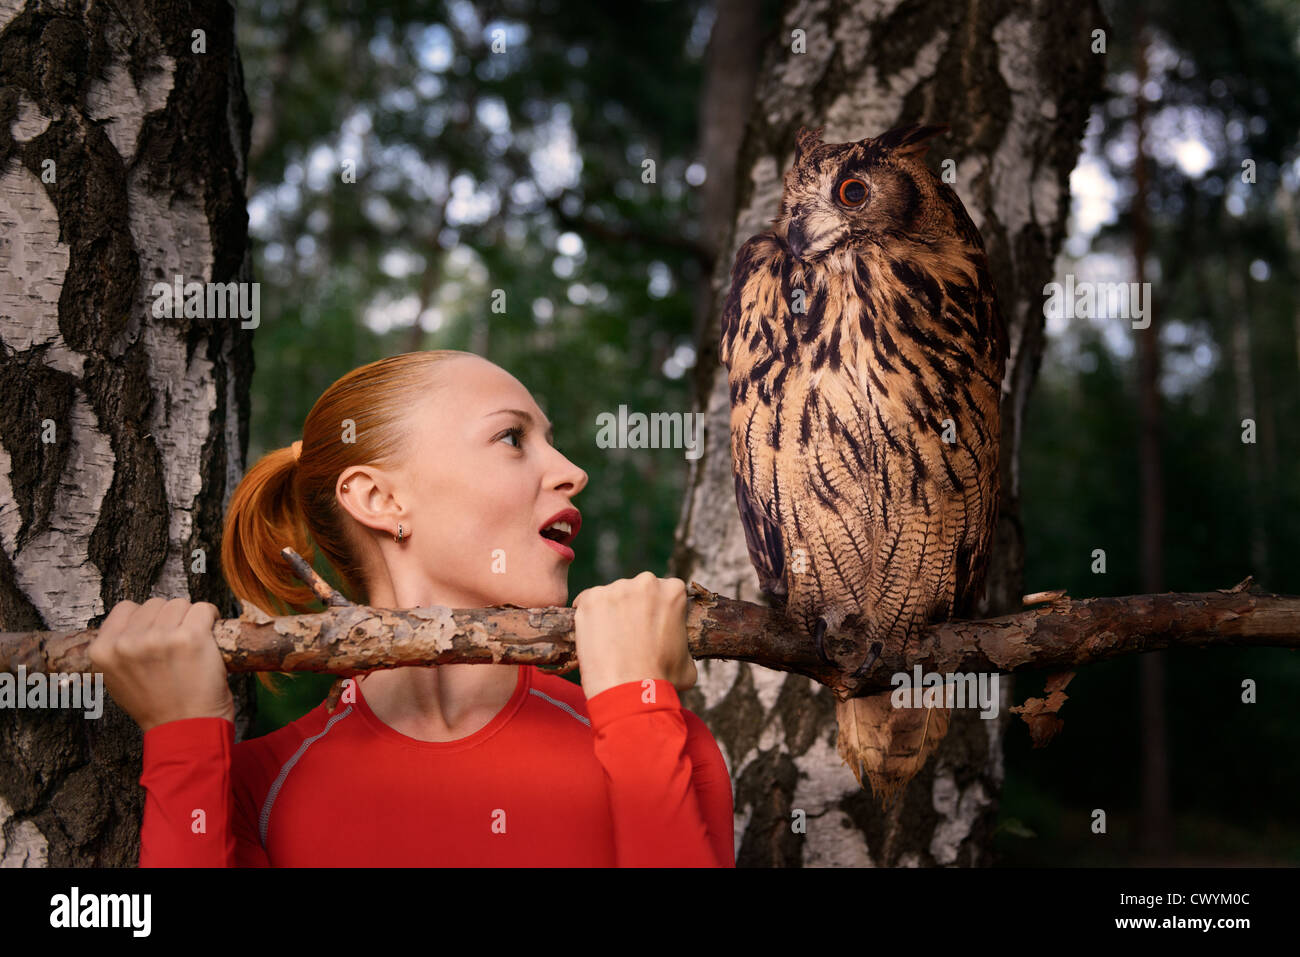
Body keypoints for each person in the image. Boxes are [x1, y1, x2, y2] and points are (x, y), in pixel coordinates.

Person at [89, 350, 735, 867]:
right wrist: (181, 741)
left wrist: (639, 708)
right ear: (378, 498)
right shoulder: (254, 790)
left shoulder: (657, 738)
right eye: (513, 436)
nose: (572, 471)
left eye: (551, 441)